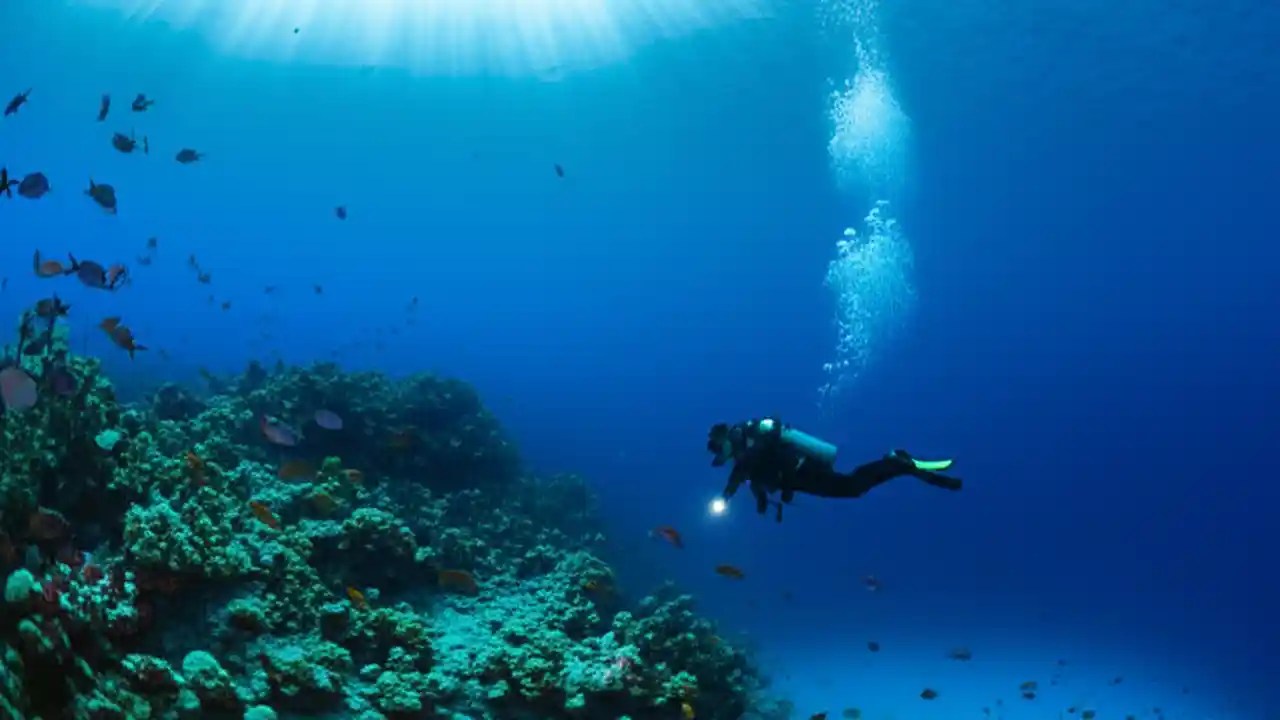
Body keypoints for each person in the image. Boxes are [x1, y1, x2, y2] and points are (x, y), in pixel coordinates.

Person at [707, 417, 962, 521]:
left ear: (724, 439)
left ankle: (896, 462)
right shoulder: (745, 454)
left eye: (719, 450)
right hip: (798, 479)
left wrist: (725, 496)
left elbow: (746, 467)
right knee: (852, 487)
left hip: (803, 471)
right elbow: (753, 477)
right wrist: (761, 500)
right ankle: (895, 463)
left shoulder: (751, 442)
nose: (722, 456)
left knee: (852, 486)